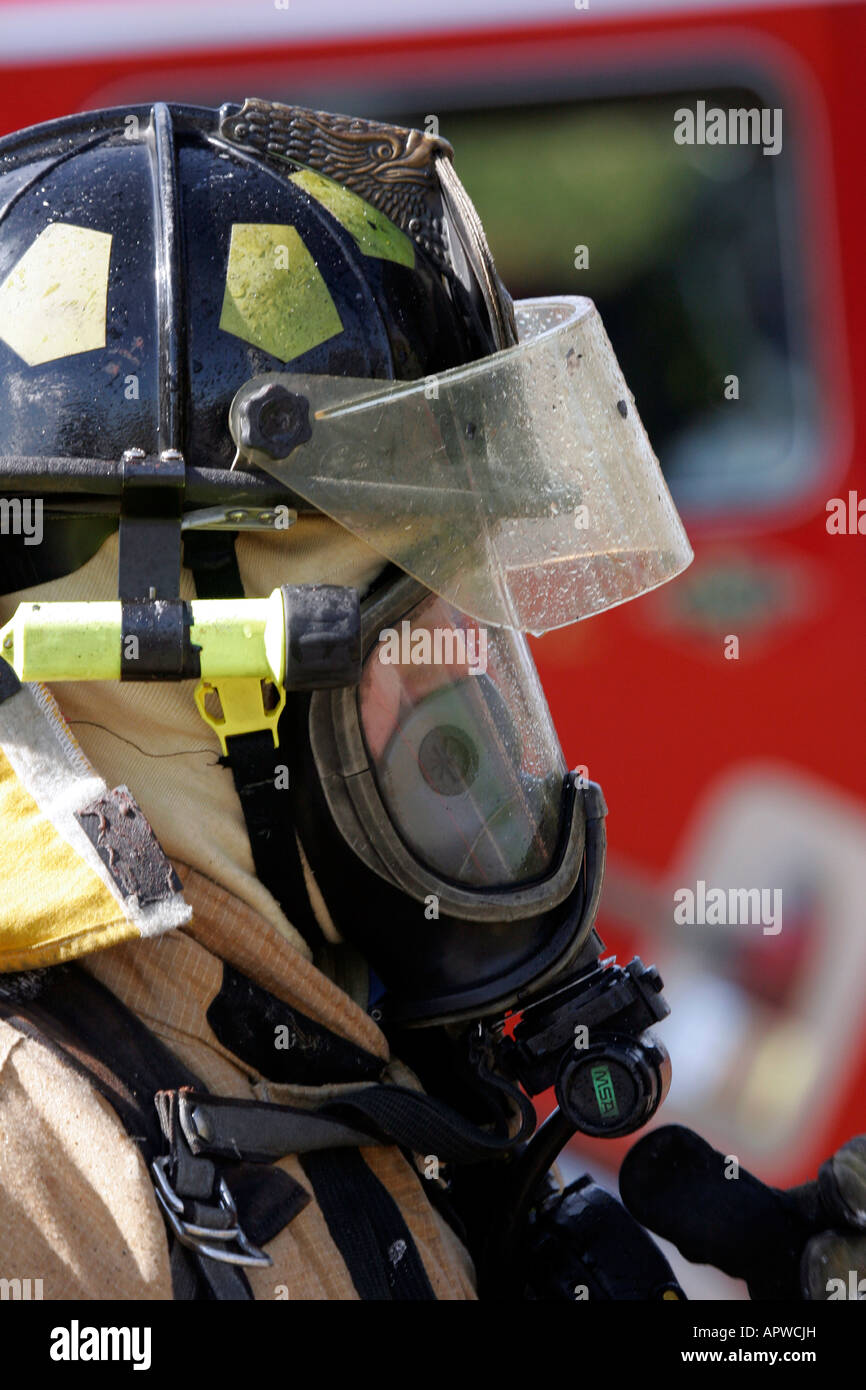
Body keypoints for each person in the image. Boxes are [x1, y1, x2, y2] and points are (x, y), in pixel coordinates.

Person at [0, 97, 716, 1302]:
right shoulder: (39, 1177)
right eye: (418, 623)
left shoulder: (316, 1042)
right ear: (184, 660)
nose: (469, 693)